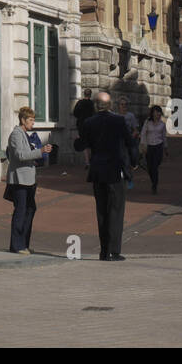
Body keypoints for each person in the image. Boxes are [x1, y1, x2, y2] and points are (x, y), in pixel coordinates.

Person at [79, 91, 139, 260]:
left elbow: (81, 144)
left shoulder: (89, 122)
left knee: (102, 211)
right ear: (110, 105)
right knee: (116, 210)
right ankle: (115, 250)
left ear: (96, 105)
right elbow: (130, 143)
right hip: (115, 171)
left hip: (98, 171)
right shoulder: (119, 121)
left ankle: (104, 251)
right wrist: (134, 162)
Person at [6, 107, 52, 254]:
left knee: (30, 209)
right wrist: (40, 151)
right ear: (22, 120)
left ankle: (24, 243)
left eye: (33, 119)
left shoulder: (25, 134)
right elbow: (20, 155)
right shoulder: (16, 135)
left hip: (29, 179)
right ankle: (17, 245)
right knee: (21, 211)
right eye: (31, 120)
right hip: (19, 179)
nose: (33, 123)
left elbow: (28, 153)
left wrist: (39, 152)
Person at [140, 105, 168, 193]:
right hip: (149, 147)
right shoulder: (147, 122)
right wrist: (143, 145)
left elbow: (164, 136)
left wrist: (166, 148)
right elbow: (143, 134)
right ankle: (153, 181)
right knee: (150, 167)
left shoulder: (162, 124)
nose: (158, 114)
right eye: (156, 112)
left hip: (158, 146)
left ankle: (154, 184)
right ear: (152, 113)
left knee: (155, 166)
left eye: (159, 112)